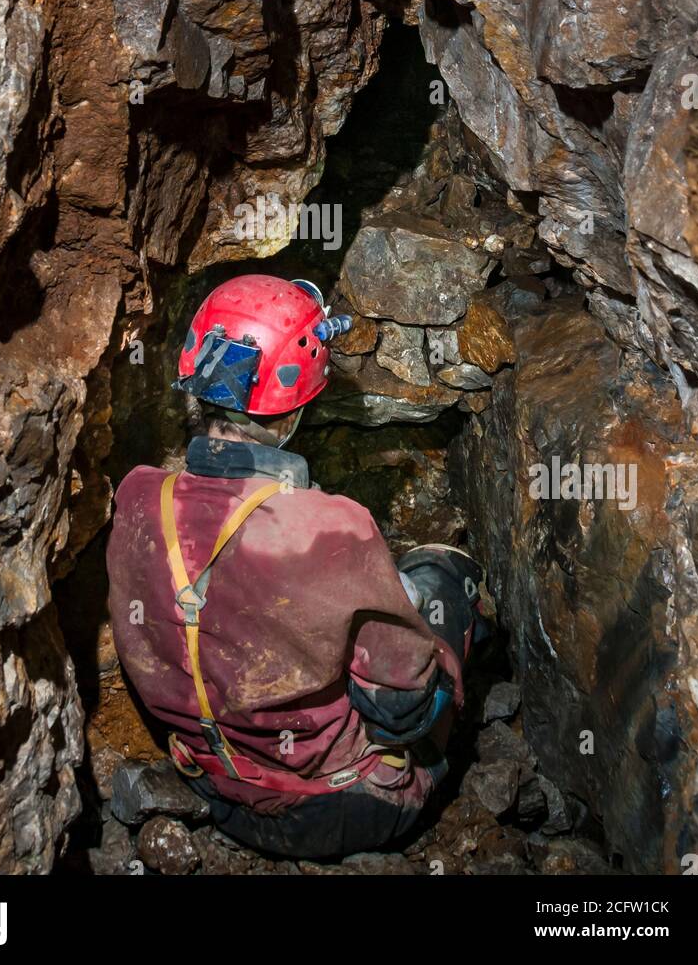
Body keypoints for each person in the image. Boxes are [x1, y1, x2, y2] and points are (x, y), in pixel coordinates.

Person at [106, 273, 486, 858]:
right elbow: (400, 714)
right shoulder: (334, 527)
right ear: (291, 415)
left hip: (215, 790)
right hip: (345, 809)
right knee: (443, 577)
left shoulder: (136, 498)